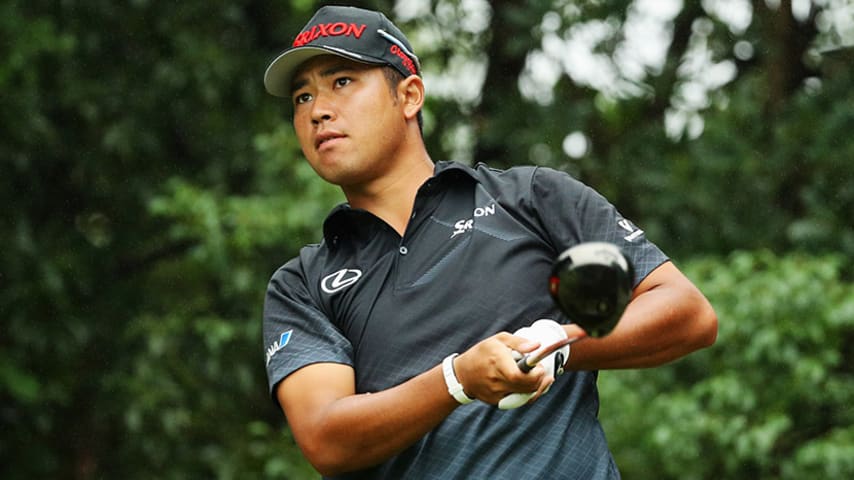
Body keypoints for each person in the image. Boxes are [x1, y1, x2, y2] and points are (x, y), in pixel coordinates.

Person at [261, 5, 717, 479]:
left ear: (410, 95)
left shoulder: (530, 198)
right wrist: (457, 380)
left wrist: (553, 345)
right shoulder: (302, 285)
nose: (318, 110)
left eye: (341, 82)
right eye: (301, 97)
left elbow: (687, 313)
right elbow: (327, 438)